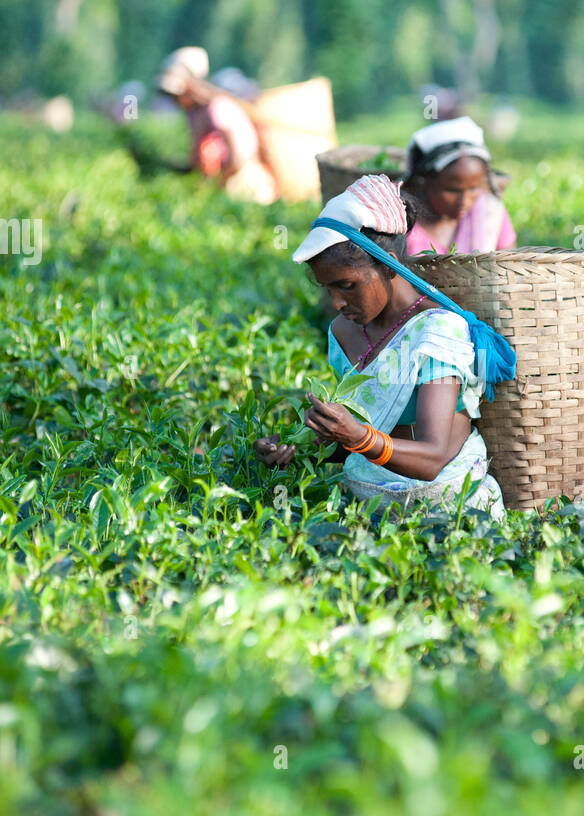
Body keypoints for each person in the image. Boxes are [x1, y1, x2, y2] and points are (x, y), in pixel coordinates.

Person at [253, 173, 516, 518]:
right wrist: (298, 445)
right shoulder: (343, 333)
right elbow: (364, 433)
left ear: (388, 264)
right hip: (370, 499)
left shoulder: (438, 333)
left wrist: (357, 435)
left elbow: (433, 457)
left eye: (347, 285)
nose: (337, 303)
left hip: (446, 502)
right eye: (328, 289)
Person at [154, 47, 278, 204]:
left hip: (243, 184)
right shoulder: (196, 113)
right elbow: (196, 161)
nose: (176, 101)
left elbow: (238, 158)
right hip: (225, 182)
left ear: (191, 85)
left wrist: (218, 183)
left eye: (177, 95)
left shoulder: (217, 108)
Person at [402, 116, 516, 256]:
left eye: (473, 188)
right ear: (424, 180)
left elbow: (509, 266)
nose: (465, 201)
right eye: (452, 190)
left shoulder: (490, 213)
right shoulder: (399, 220)